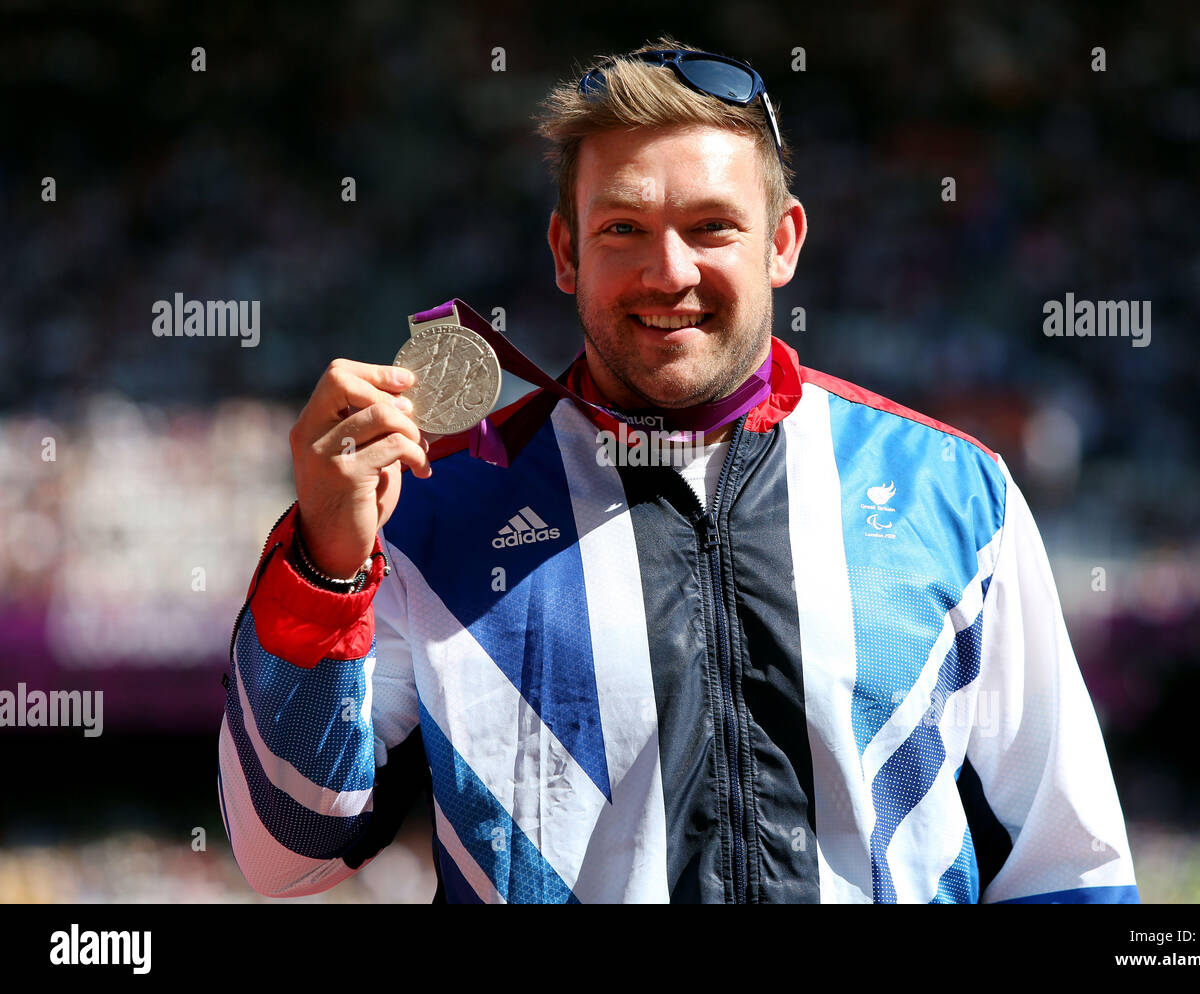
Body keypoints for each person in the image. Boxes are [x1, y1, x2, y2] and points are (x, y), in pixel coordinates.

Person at [217, 36, 1140, 903]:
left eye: (710, 227)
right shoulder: (433, 510)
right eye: (622, 227)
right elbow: (284, 857)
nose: (668, 272)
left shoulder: (954, 494)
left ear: (781, 242)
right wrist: (324, 566)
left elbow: (1070, 869)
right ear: (565, 252)